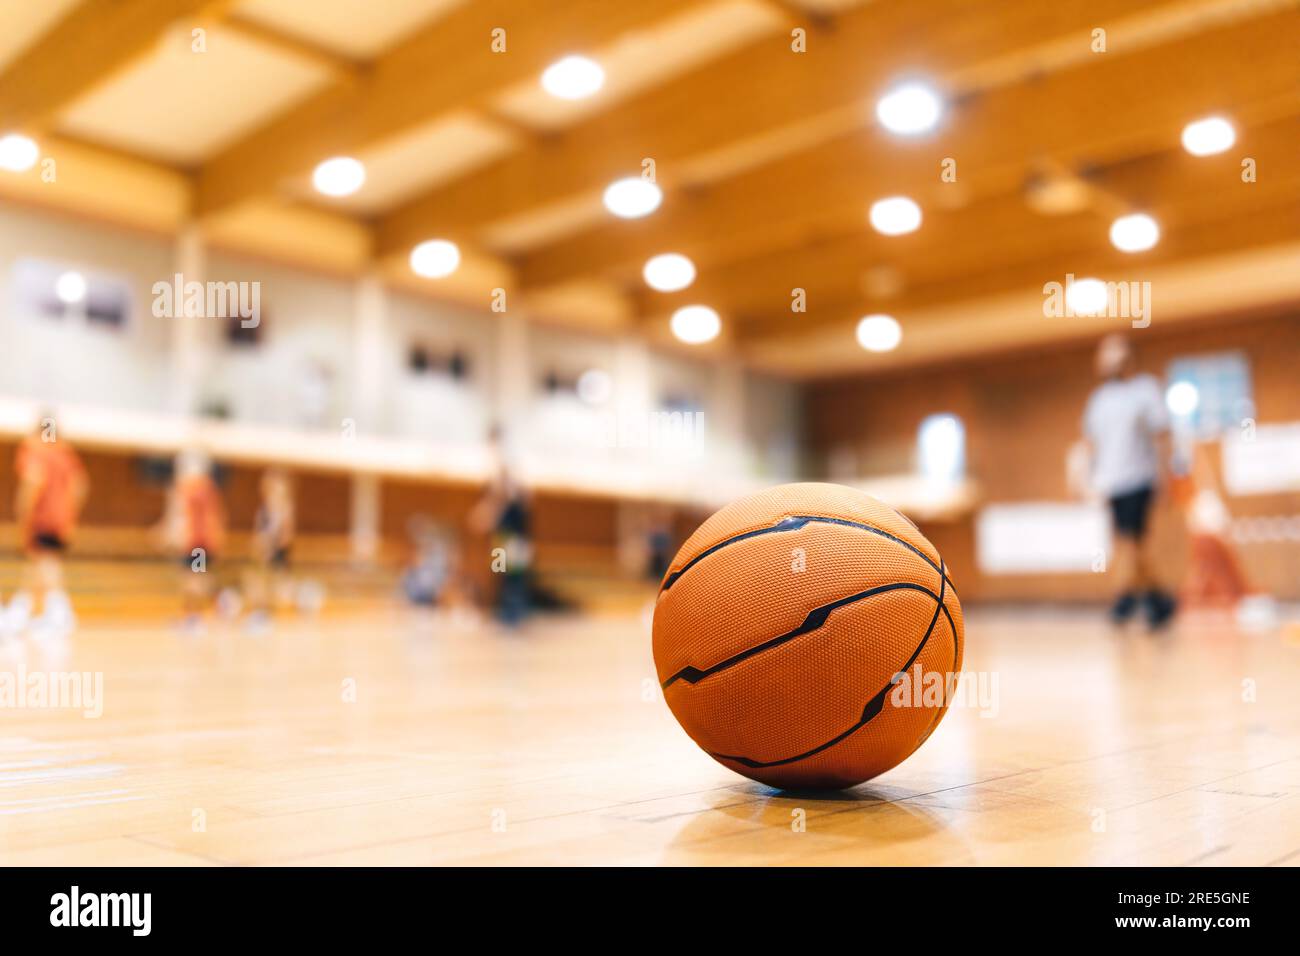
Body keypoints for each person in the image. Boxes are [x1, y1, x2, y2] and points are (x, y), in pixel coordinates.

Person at [1082, 334, 1178, 629]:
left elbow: (1162, 434)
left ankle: (1127, 599)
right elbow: (1091, 444)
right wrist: (1086, 478)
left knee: (1132, 542)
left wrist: (1166, 476)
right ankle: (1156, 599)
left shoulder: (1145, 389)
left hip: (1139, 478)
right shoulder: (1099, 400)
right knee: (1130, 543)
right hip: (1112, 483)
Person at [7, 414, 88, 638]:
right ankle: (25, 612)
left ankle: (59, 613)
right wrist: (70, 514)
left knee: (44, 562)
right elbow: (80, 485)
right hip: (61, 517)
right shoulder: (66, 454)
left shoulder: (35, 450)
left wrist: (23, 512)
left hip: (41, 517)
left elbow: (33, 481)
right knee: (41, 562)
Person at [160, 448, 226, 633]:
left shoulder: (192, 487)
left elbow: (182, 515)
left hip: (197, 543)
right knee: (193, 579)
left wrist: (173, 535)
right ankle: (193, 614)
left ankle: (199, 614)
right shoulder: (206, 488)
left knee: (195, 580)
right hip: (197, 543)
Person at [245, 467, 295, 630]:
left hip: (274, 550)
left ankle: (271, 616)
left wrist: (271, 546)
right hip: (265, 550)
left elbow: (284, 534)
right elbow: (260, 530)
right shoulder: (266, 508)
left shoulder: (282, 507)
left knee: (274, 582)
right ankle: (262, 614)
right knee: (259, 581)